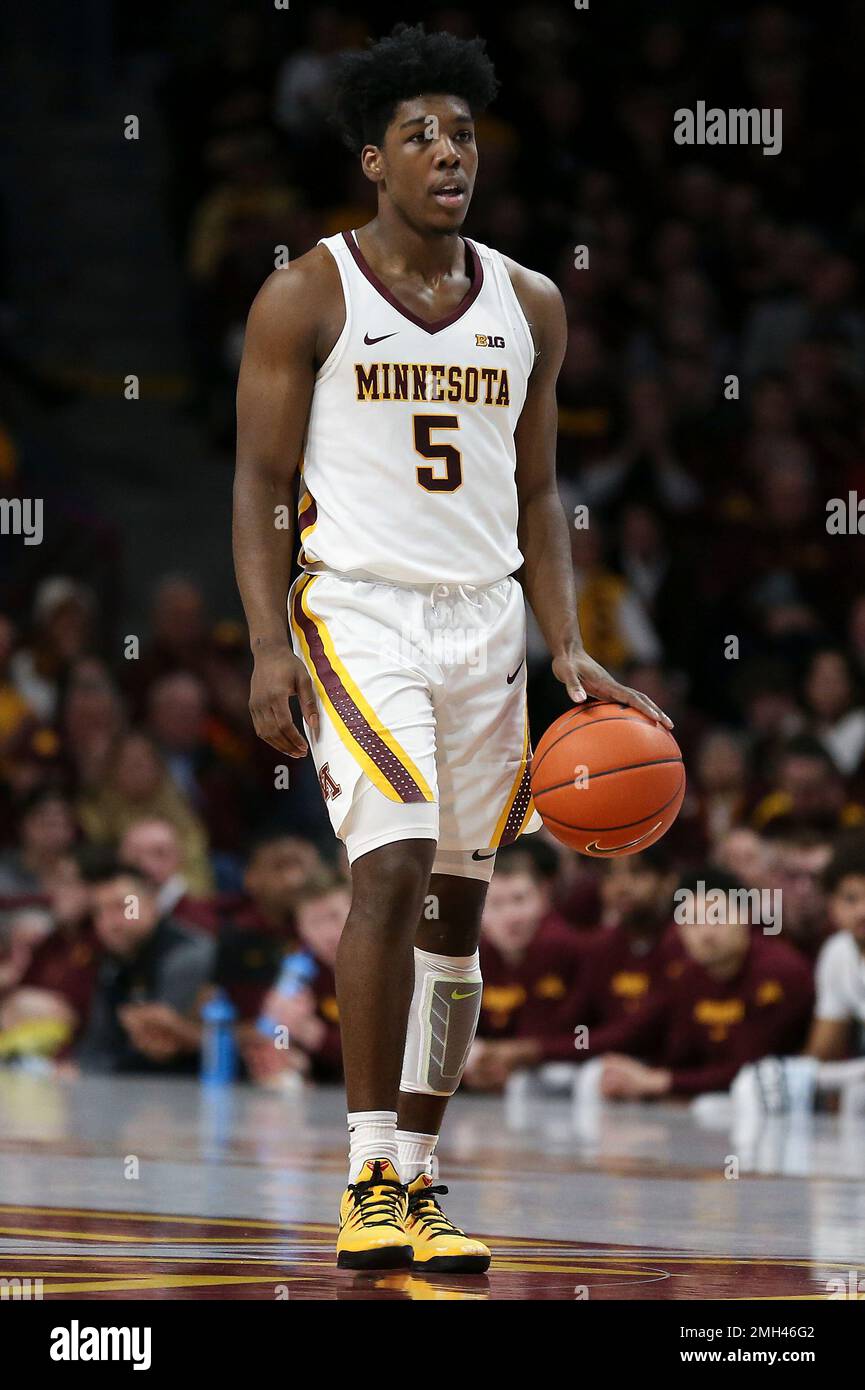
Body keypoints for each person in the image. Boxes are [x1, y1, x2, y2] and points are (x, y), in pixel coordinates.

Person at [233, 22, 669, 1272]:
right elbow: (260, 481)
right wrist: (271, 643)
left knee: (459, 914)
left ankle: (418, 1181)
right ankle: (366, 1169)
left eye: (463, 132)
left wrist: (567, 646)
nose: (447, 152)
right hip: (358, 609)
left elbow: (538, 494)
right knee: (393, 862)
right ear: (372, 160)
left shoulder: (530, 299)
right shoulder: (306, 292)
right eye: (418, 134)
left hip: (487, 622)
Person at [600, 867, 814, 1100]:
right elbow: (670, 1051)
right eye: (692, 922)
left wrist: (658, 1082)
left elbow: (750, 1067)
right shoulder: (687, 977)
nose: (706, 933)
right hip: (716, 1097)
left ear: (745, 916)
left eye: (717, 917)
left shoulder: (781, 971)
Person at [463, 848, 586, 1089]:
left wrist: (527, 1052)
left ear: (543, 896)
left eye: (519, 900)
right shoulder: (475, 953)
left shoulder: (565, 948)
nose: (510, 916)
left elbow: (587, 1037)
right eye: (496, 904)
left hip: (563, 1073)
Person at [76, 862, 215, 1075]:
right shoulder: (113, 964)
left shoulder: (188, 956)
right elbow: (99, 1044)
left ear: (152, 903)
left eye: (123, 907)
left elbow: (158, 1049)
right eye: (99, 912)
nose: (109, 923)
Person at [805, 837, 865, 1060]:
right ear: (832, 905)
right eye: (851, 899)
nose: (862, 910)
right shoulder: (836, 952)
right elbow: (822, 1051)